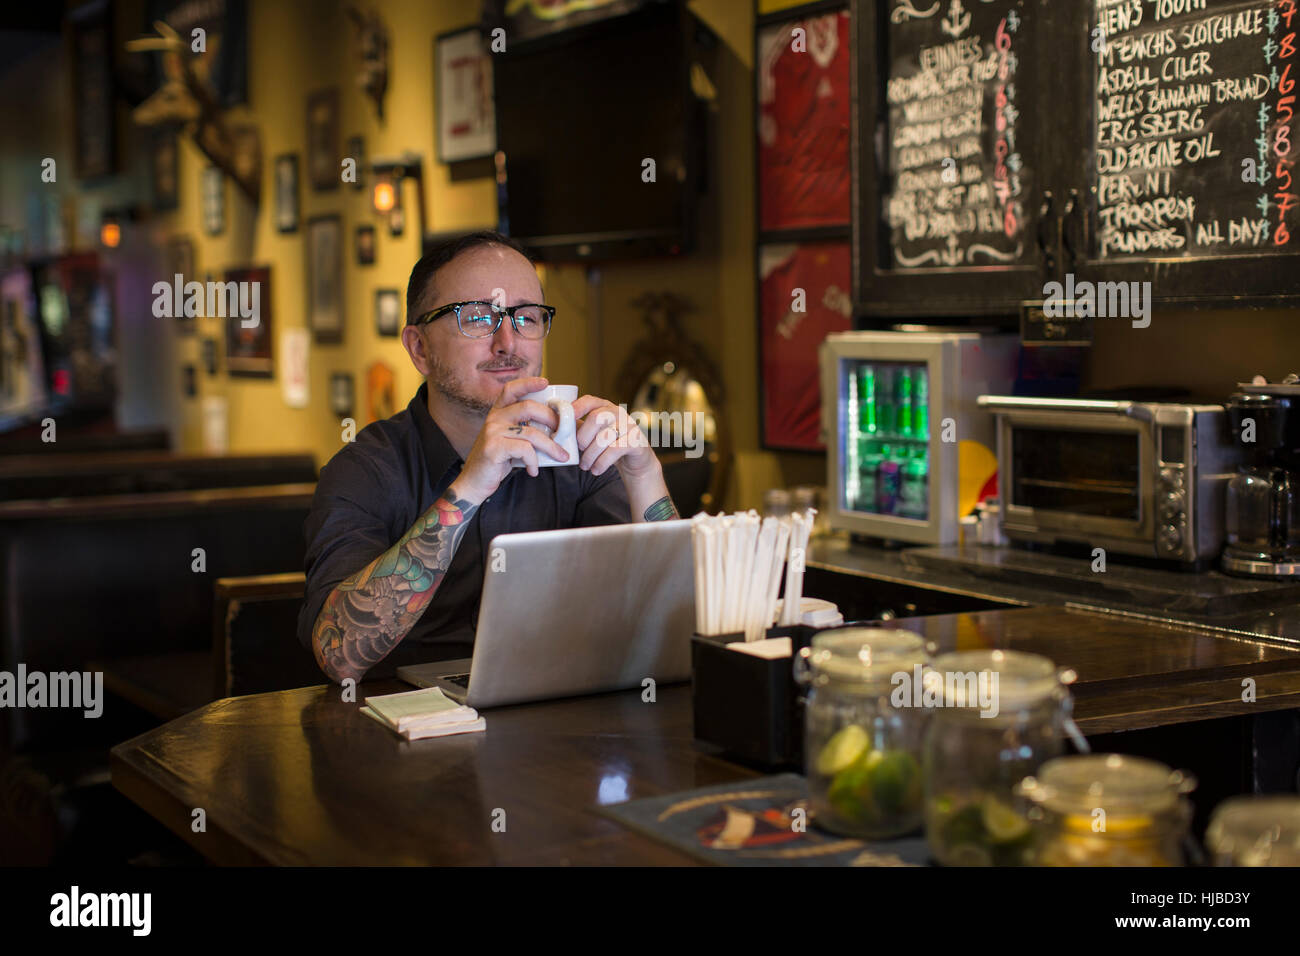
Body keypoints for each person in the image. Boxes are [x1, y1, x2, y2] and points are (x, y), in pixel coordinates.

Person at [297, 231, 679, 684]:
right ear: (419, 348)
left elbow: (676, 623)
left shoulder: (578, 455)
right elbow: (339, 653)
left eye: (526, 317)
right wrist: (472, 485)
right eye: (477, 317)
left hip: (557, 715)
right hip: (397, 727)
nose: (507, 342)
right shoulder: (364, 470)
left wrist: (644, 474)